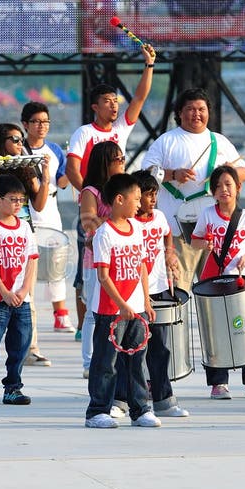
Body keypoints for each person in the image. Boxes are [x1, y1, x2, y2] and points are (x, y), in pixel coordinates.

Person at [65, 44, 155, 343]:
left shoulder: (121, 129)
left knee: (123, 266)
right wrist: (91, 195)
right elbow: (73, 168)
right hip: (97, 207)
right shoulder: (85, 133)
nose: (114, 107)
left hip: (120, 209)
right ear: (95, 106)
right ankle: (86, 324)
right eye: (107, 102)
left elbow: (139, 98)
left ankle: (124, 314)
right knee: (90, 269)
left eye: (116, 101)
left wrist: (149, 66)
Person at [142, 87, 245, 292]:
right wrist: (173, 174)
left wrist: (230, 171)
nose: (196, 114)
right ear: (180, 113)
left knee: (216, 291)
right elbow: (146, 174)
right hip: (179, 231)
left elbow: (244, 172)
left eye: (201, 109)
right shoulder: (166, 141)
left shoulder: (219, 141)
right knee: (177, 290)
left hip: (215, 234)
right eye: (190, 109)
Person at [0, 123, 50, 366]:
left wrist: (45, 177)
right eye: (14, 139)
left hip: (22, 235)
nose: (19, 144)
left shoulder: (26, 166)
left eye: (21, 139)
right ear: (0, 141)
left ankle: (30, 348)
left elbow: (39, 205)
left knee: (27, 295)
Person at [84, 173, 158, 428]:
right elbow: (103, 276)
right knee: (106, 362)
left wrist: (145, 301)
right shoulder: (104, 234)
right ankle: (97, 411)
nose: (139, 204)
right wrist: (122, 305)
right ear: (119, 200)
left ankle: (140, 409)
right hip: (110, 310)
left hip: (136, 309)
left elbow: (142, 266)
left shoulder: (137, 228)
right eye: (136, 199)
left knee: (137, 361)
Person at [190, 165, 245, 399]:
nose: (224, 190)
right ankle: (218, 382)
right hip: (214, 279)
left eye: (228, 184)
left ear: (238, 187)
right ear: (213, 192)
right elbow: (194, 241)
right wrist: (206, 245)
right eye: (218, 186)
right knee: (217, 330)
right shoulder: (208, 214)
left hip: (241, 280)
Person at [0, 174, 39, 406]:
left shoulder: (25, 227)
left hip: (21, 298)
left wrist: (23, 290)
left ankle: (13, 387)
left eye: (21, 200)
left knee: (20, 345)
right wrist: (4, 292)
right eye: (13, 199)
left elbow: (31, 260)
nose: (18, 204)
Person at [128, 169, 188, 417]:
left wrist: (170, 254)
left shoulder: (160, 216)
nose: (153, 199)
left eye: (155, 194)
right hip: (135, 292)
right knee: (134, 348)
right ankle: (128, 400)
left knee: (161, 348)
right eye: (148, 194)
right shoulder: (129, 223)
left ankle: (164, 400)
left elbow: (167, 236)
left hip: (160, 288)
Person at [21, 101, 74, 333]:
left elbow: (61, 181)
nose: (41, 126)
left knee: (56, 262)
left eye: (45, 122)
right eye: (36, 122)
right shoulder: (19, 150)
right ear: (25, 124)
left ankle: (60, 314)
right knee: (25, 263)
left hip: (50, 209)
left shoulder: (54, 149)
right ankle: (26, 309)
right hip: (25, 209)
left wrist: (73, 168)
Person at [77, 142, 126, 379]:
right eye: (119, 159)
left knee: (117, 310)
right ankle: (89, 362)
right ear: (105, 163)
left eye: (123, 158)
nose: (123, 163)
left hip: (121, 259)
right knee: (92, 311)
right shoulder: (91, 192)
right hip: (95, 260)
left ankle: (115, 358)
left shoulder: (124, 189)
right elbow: (89, 224)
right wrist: (116, 218)